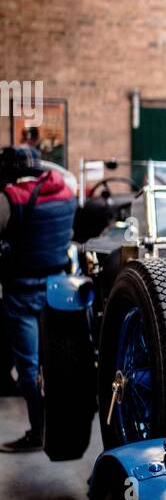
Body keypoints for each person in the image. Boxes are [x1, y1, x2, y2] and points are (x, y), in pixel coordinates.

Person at [0, 146, 76, 451]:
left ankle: (39, 432)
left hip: (22, 291)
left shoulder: (10, 198)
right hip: (57, 290)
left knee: (29, 369)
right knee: (59, 364)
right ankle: (65, 428)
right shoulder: (66, 191)